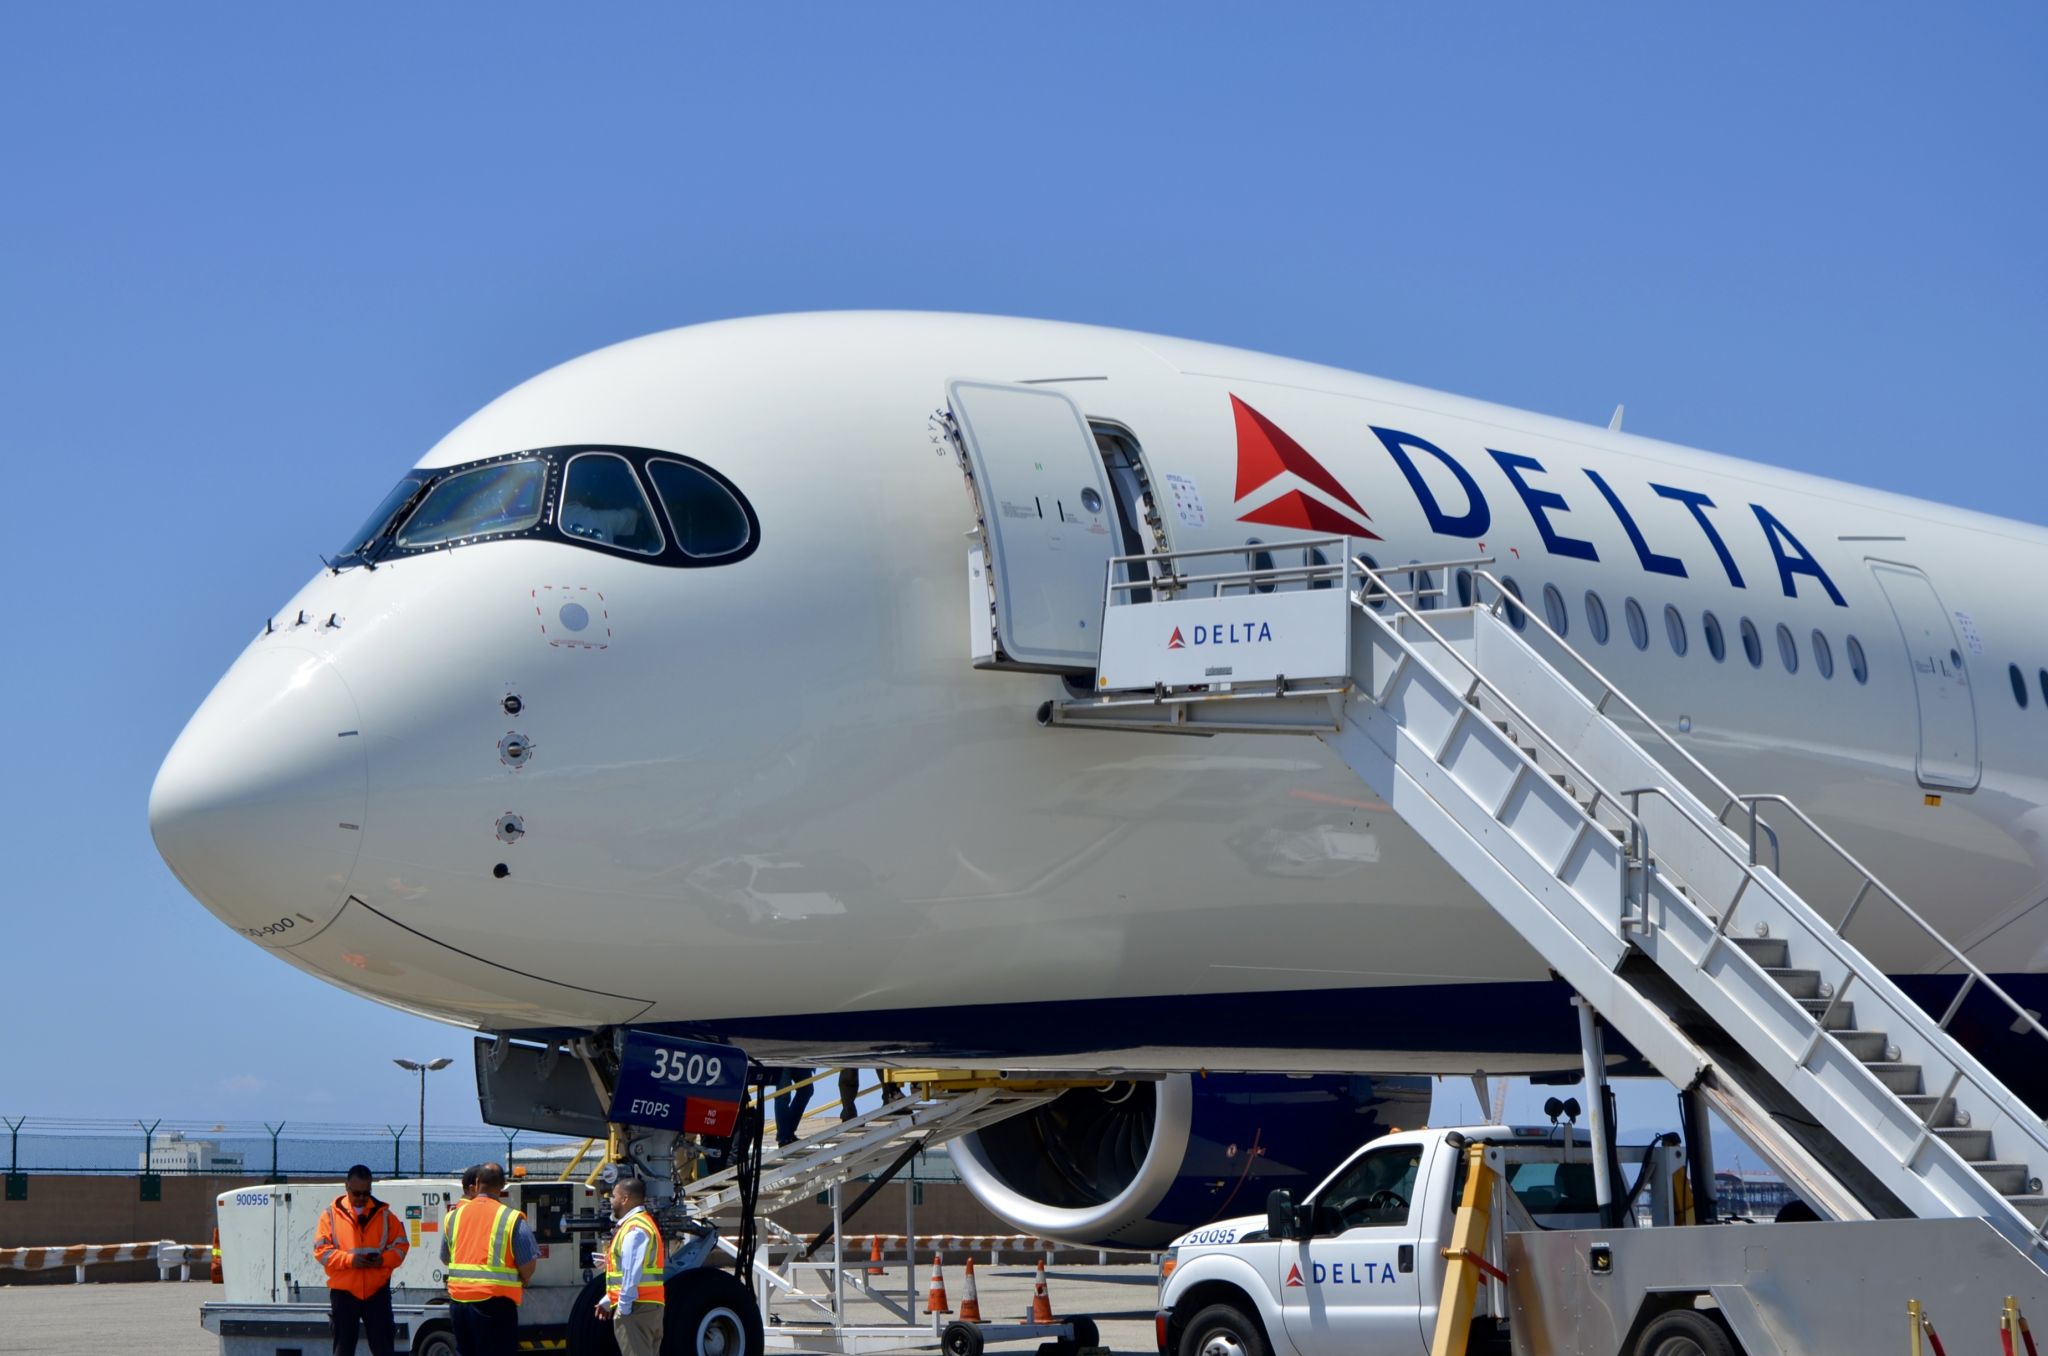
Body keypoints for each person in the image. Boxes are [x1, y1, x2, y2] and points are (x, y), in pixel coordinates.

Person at [313, 1164, 408, 1356]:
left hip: (377, 1293)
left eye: (366, 1193)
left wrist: (382, 1260)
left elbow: (401, 1247)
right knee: (343, 1349)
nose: (361, 1198)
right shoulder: (330, 1215)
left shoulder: (385, 1215)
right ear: (347, 1187)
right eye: (357, 1193)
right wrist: (349, 1260)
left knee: (384, 1349)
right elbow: (321, 1251)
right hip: (344, 1293)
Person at [442, 1162, 536, 1356]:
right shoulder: (511, 1218)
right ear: (502, 1186)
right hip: (495, 1304)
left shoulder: (454, 1216)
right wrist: (522, 1278)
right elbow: (528, 1265)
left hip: (459, 1302)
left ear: (476, 1183)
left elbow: (445, 1257)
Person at [594, 1177, 665, 1356]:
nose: (611, 1201)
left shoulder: (635, 1228)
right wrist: (609, 1300)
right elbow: (634, 1270)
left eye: (614, 1196)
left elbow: (632, 1272)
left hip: (636, 1308)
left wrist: (623, 1308)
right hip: (647, 1305)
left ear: (625, 1199)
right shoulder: (642, 1223)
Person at [772, 1067, 815, 1146]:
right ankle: (784, 1136)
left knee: (807, 1090)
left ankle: (787, 1133)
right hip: (782, 1060)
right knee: (783, 1096)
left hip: (801, 1060)